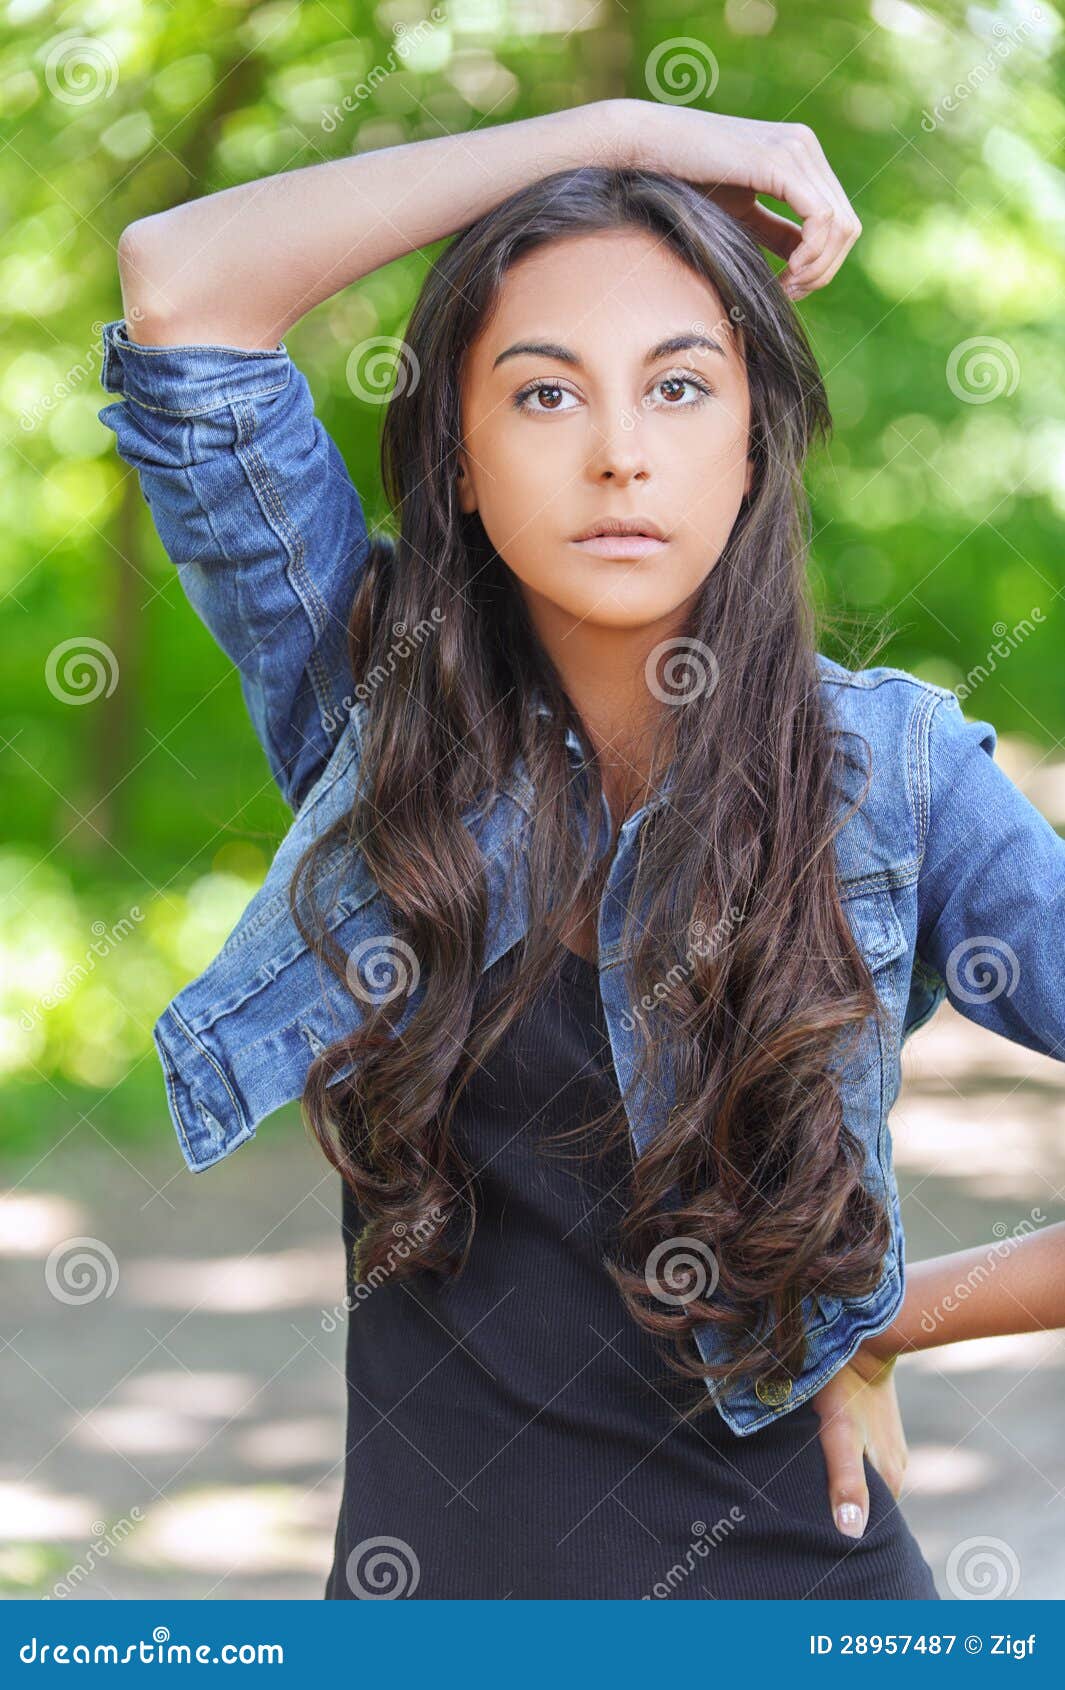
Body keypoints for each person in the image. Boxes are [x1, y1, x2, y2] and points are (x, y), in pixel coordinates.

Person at [99, 98, 1065, 1600]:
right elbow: (183, 287)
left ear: (753, 442)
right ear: (462, 460)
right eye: (544, 396)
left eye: (680, 389)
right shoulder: (379, 709)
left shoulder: (894, 773)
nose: (620, 453)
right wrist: (620, 132)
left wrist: (892, 1314)